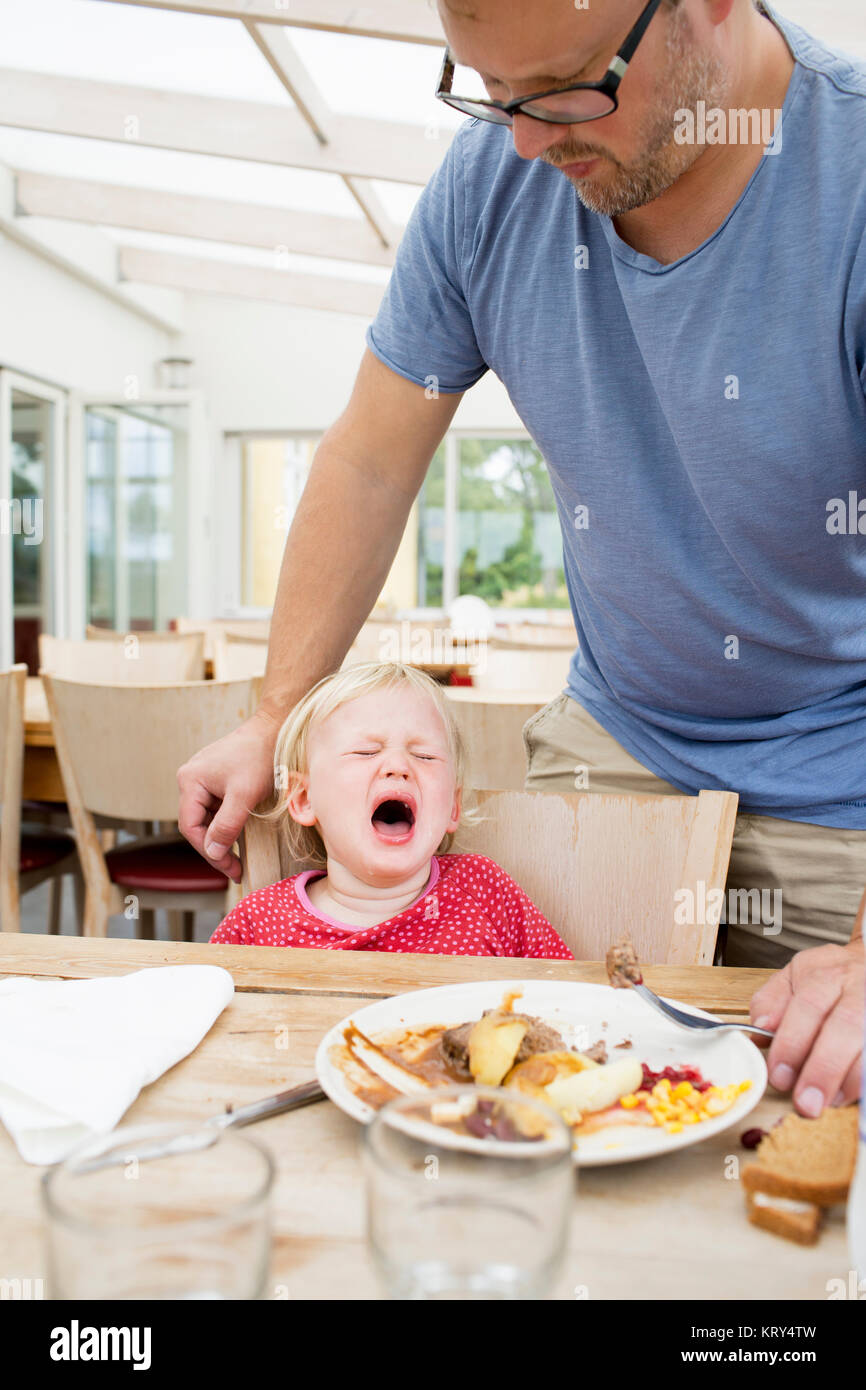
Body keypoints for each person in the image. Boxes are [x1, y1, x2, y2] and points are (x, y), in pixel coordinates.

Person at [179, 0, 865, 1114]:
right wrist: (276, 712)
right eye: (489, 94)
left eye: (565, 86)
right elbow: (367, 463)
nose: (524, 144)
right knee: (531, 1096)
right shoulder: (487, 184)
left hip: (847, 786)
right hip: (617, 740)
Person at [209, 663, 573, 959]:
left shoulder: (485, 891)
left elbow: (566, 995)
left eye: (424, 756)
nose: (398, 765)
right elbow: (209, 1017)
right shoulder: (260, 923)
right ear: (304, 799)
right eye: (366, 752)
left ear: (453, 806)